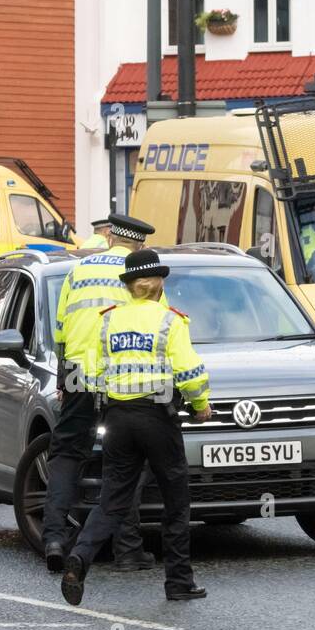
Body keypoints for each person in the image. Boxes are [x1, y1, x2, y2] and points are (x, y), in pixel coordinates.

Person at [60, 249, 212, 606]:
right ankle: (178, 582)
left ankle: (79, 558)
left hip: (117, 419)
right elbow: (190, 372)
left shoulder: (107, 320)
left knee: (112, 499)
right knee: (176, 499)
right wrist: (201, 405)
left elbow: (94, 373)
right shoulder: (170, 320)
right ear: (159, 284)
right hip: (157, 418)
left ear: (128, 286)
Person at [42, 214, 159, 573]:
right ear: (137, 244)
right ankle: (127, 549)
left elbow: (61, 327)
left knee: (66, 453)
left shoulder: (79, 270)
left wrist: (65, 377)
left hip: (78, 370)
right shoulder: (140, 271)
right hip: (121, 373)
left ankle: (55, 538)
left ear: (110, 238)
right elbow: (154, 323)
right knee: (124, 460)